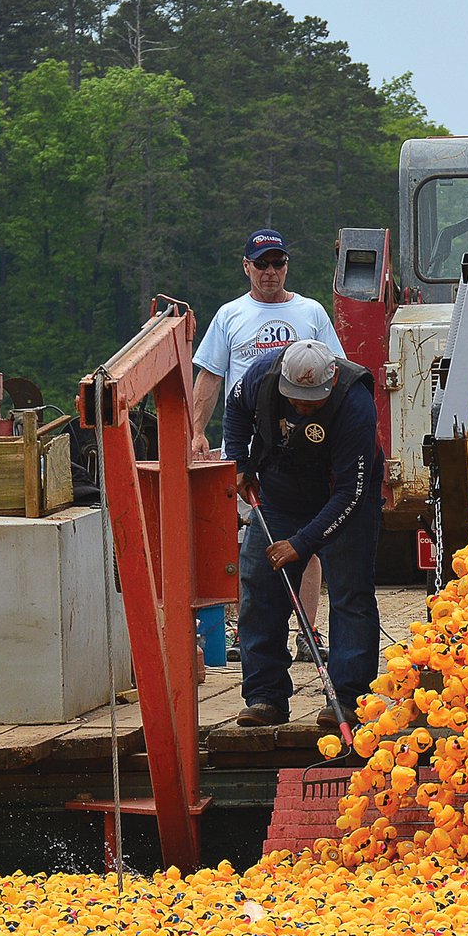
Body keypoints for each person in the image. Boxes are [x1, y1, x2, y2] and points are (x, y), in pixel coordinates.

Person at [191, 228, 344, 662]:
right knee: (242, 540)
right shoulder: (229, 315)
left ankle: (308, 631)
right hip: (249, 443)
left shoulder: (311, 311)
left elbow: (339, 371)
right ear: (246, 268)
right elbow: (210, 378)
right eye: (262, 264)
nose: (271, 271)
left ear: (287, 267)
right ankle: (247, 630)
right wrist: (198, 432)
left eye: (278, 263)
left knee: (308, 537)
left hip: (306, 444)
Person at [224, 339, 383, 729]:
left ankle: (347, 697)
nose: (302, 406)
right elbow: (235, 410)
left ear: (328, 385)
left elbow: (352, 493)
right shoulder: (262, 375)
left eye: (311, 401)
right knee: (260, 587)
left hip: (342, 496)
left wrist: (302, 543)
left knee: (350, 594)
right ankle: (265, 696)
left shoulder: (355, 405)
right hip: (280, 491)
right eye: (295, 399)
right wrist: (240, 461)